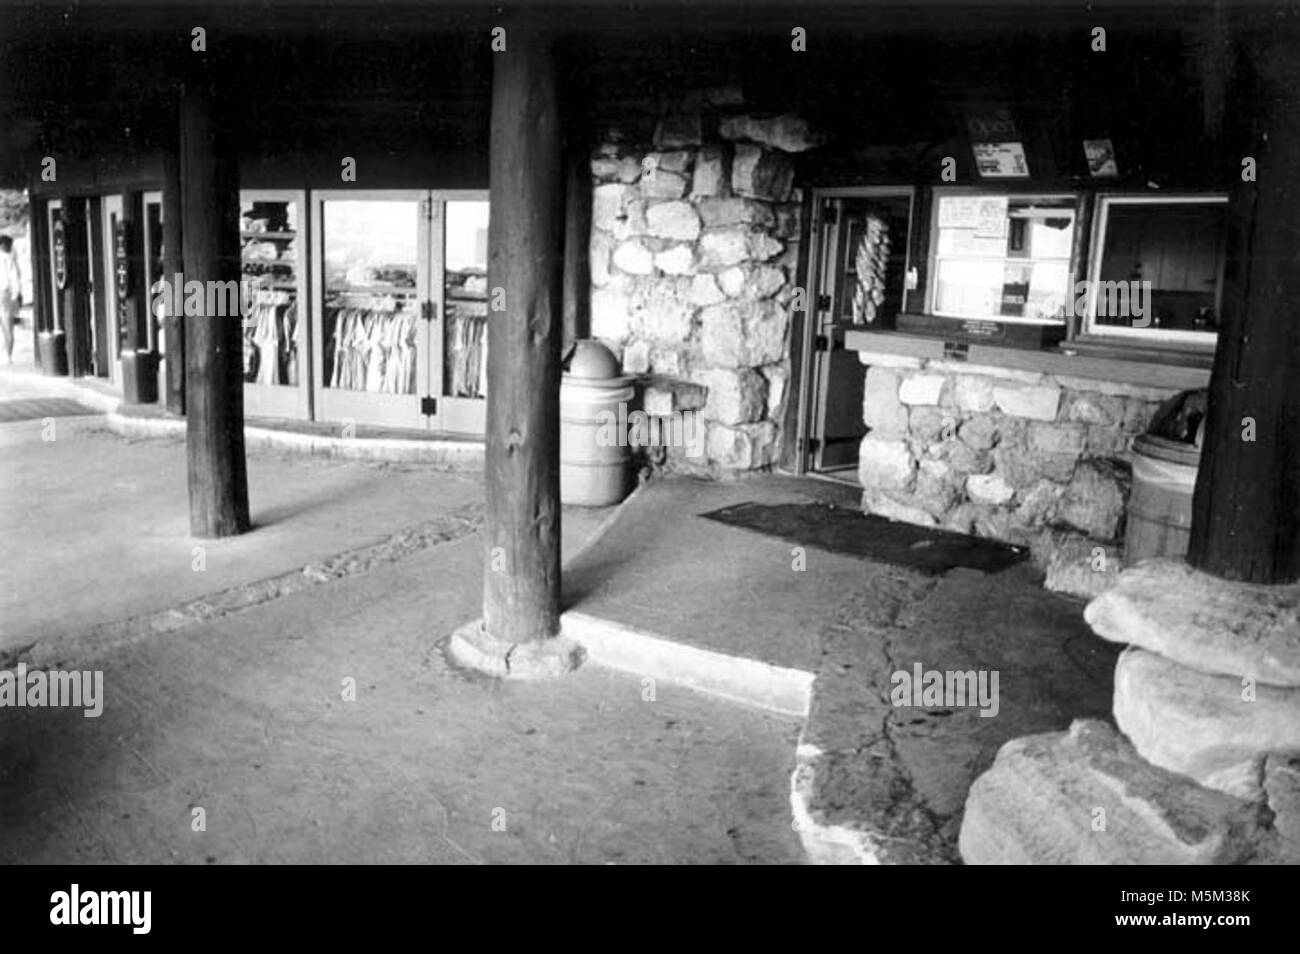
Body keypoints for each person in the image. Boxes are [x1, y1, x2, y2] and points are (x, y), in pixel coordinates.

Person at [0, 234, 22, 365]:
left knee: (4, 325)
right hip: (5, 292)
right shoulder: (9, 258)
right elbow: (14, 277)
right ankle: (8, 355)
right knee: (8, 324)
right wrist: (16, 294)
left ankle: (6, 353)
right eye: (9, 245)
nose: (10, 248)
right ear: (4, 245)